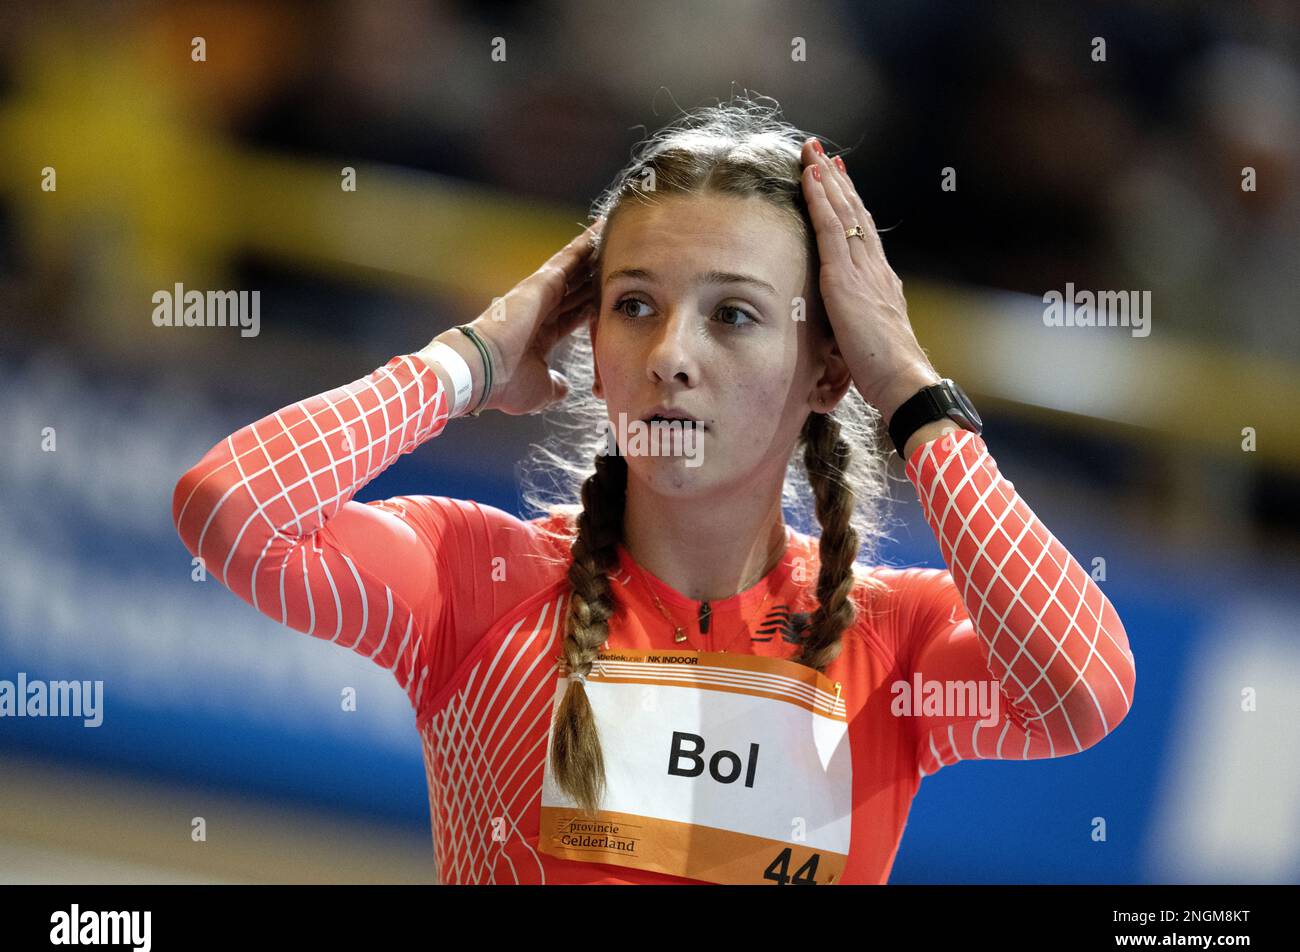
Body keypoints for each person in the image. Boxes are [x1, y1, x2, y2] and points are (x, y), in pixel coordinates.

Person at [172, 96, 1135, 885]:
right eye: (634, 305)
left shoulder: (893, 644)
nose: (671, 355)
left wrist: (915, 399)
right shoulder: (478, 580)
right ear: (588, 336)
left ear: (831, 370)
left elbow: (1083, 689)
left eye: (734, 315)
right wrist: (470, 360)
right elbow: (230, 509)